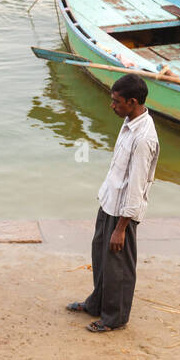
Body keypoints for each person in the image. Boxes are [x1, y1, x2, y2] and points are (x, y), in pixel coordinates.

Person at [67, 74, 159, 332]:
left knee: (118, 266)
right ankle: (97, 302)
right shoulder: (129, 121)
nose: (112, 106)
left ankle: (115, 317)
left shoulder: (144, 138)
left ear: (132, 102)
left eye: (116, 102)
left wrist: (121, 227)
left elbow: (138, 185)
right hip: (110, 202)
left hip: (123, 213)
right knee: (101, 257)